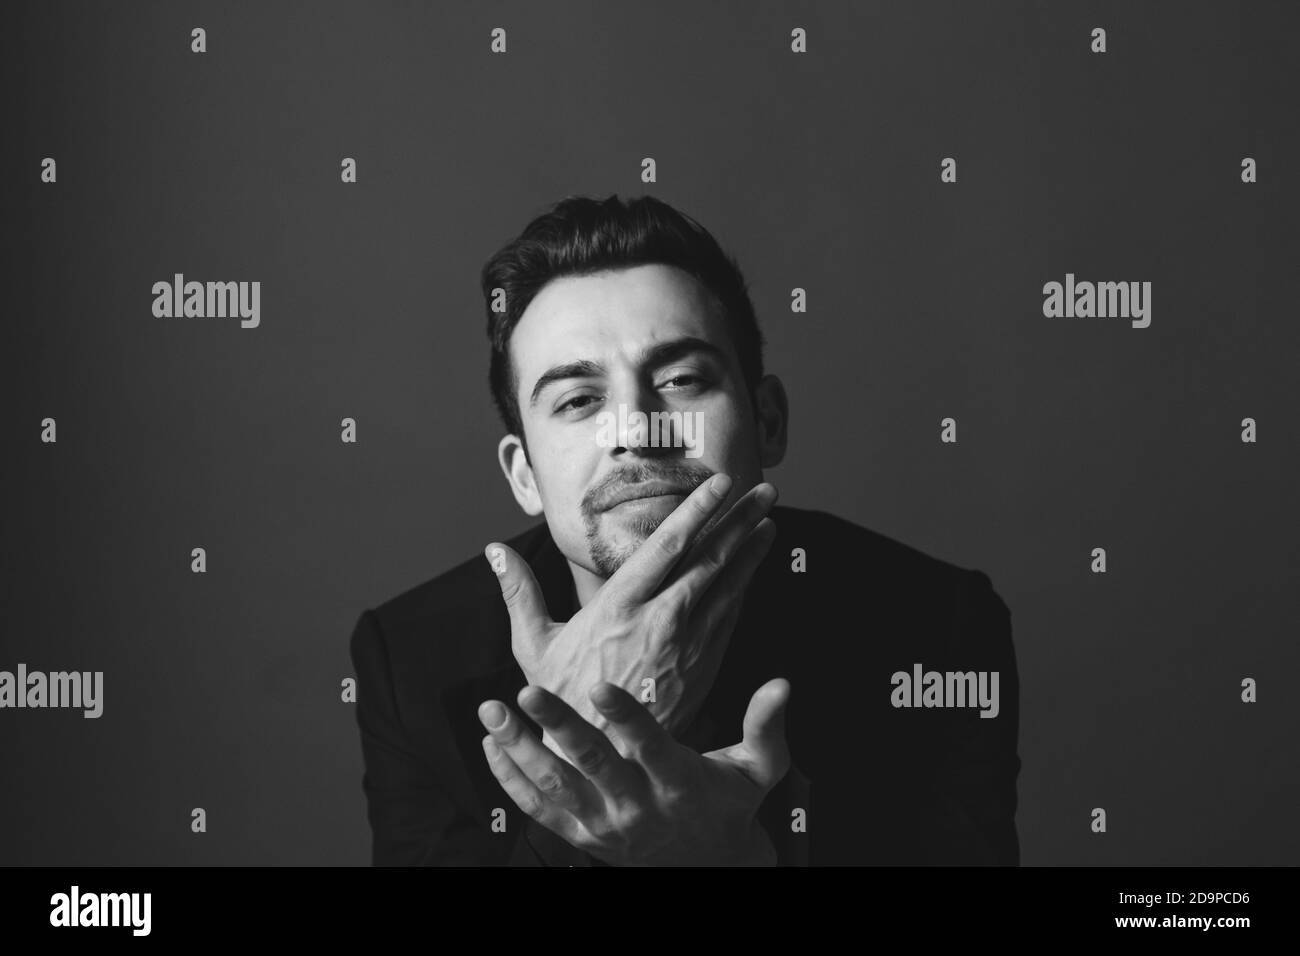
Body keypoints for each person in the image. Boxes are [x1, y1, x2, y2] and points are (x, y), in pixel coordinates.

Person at [349, 194, 1021, 865]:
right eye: (579, 400)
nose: (636, 428)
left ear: (768, 422)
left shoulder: (938, 627)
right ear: (523, 474)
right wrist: (584, 767)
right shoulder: (412, 662)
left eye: (680, 379)